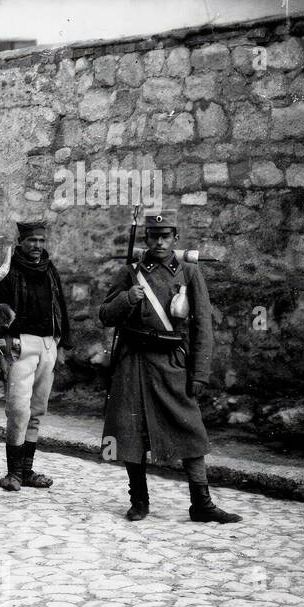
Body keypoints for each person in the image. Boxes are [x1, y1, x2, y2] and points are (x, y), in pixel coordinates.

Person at [98, 209, 240, 524]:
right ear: (146, 238)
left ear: (175, 238)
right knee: (129, 431)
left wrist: (200, 374)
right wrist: (127, 299)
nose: (159, 242)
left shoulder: (189, 272)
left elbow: (203, 326)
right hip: (132, 363)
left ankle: (201, 504)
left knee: (191, 431)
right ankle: (139, 501)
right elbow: (105, 314)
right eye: (154, 236)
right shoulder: (130, 272)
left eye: (165, 236)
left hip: (172, 362)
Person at [0, 219, 71, 490]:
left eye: (41, 241)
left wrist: (60, 341)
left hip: (48, 344)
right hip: (20, 346)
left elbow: (60, 306)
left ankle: (26, 471)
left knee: (37, 410)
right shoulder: (8, 272)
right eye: (32, 241)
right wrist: (7, 340)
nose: (37, 246)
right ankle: (12, 473)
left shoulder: (50, 270)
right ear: (20, 243)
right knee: (18, 410)